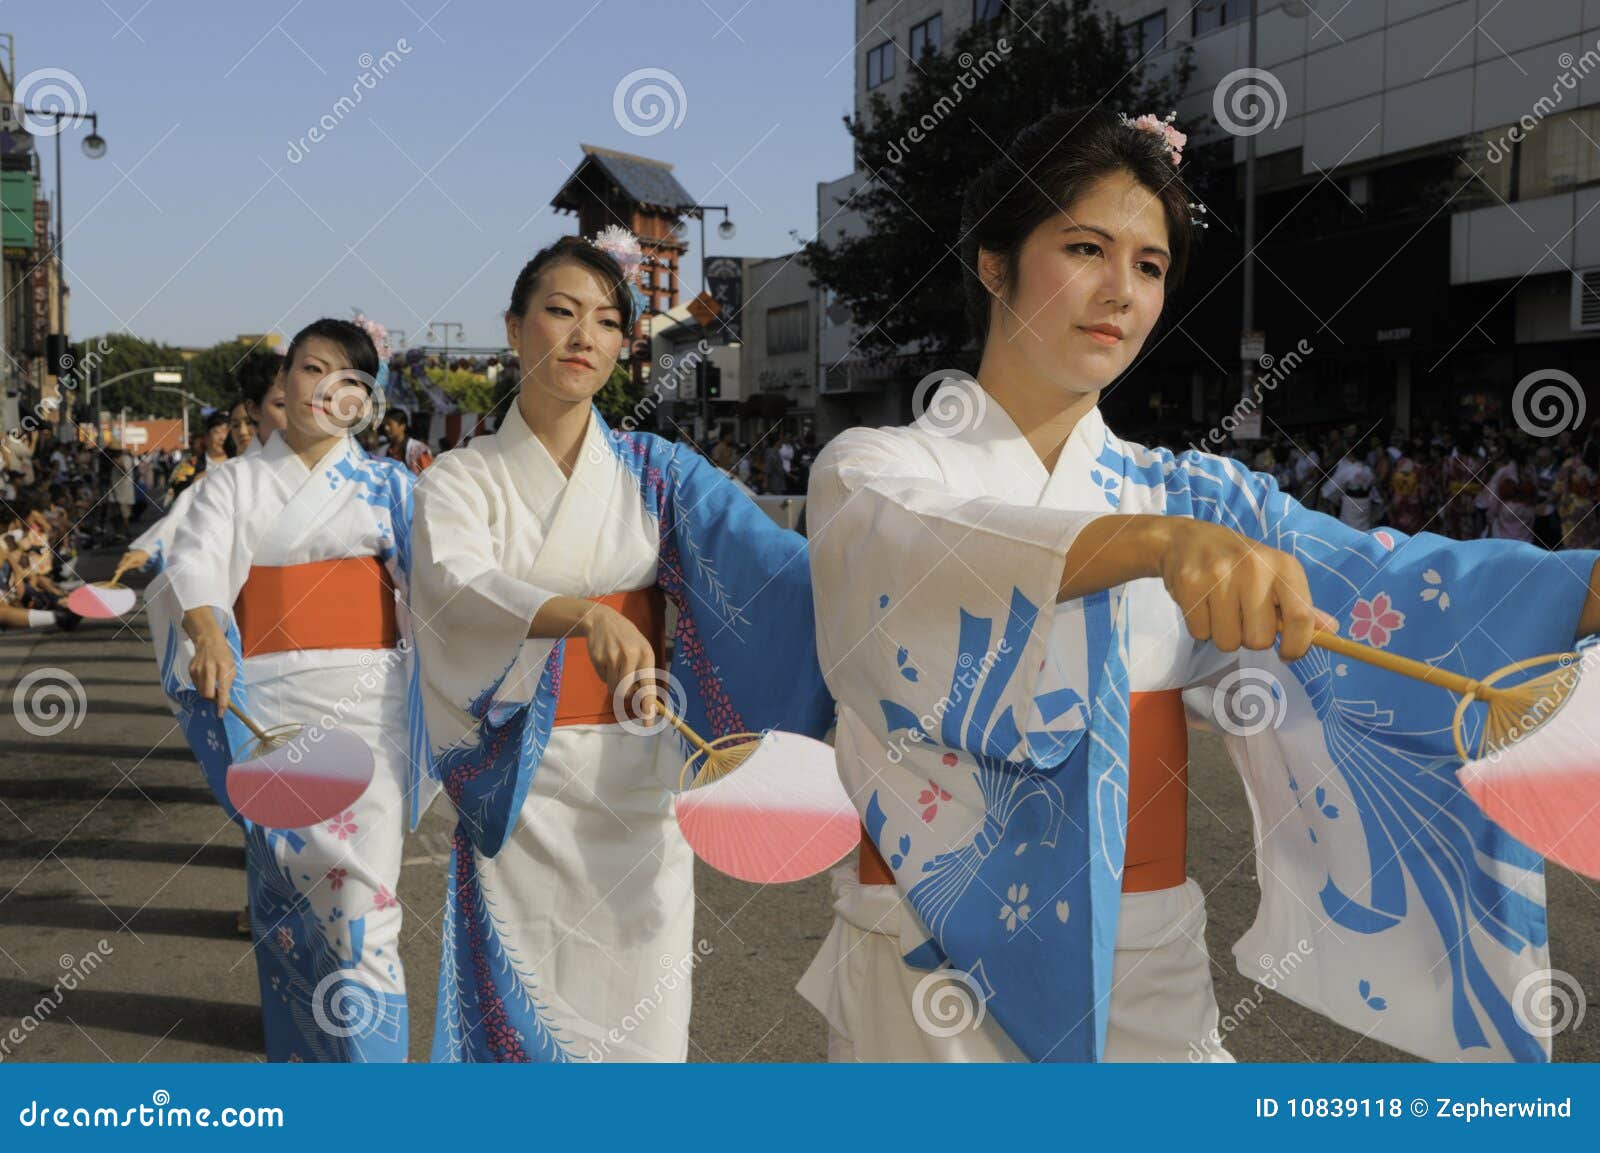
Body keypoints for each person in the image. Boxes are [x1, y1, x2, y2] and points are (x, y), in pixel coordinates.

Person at [797, 107, 1600, 1064]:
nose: (1121, 290)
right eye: (1086, 248)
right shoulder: (876, 469)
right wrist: (1153, 543)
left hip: (1142, 958)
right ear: (994, 263)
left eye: (1150, 265)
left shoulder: (1195, 498)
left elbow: (1393, 586)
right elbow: (914, 550)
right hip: (918, 967)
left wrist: (1583, 591)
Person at [410, 231, 830, 1063]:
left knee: (644, 1032)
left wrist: (884, 589)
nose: (584, 336)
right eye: (561, 311)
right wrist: (581, 616)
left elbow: (772, 569)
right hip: (523, 781)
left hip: (639, 779)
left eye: (607, 321)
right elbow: (456, 586)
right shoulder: (460, 478)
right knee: (528, 1032)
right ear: (515, 326)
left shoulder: (659, 471)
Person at [163, 320, 422, 1062]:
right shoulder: (233, 483)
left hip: (372, 708)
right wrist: (209, 631)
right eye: (312, 369)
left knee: (363, 908)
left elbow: (448, 588)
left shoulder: (392, 487)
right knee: (292, 909)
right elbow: (195, 559)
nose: (326, 389)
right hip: (269, 713)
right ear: (285, 380)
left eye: (349, 380)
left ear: (363, 403)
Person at [380, 408, 433, 475]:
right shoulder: (382, 451)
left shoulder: (419, 449)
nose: (386, 428)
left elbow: (429, 475)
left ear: (402, 425)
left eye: (389, 424)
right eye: (384, 425)